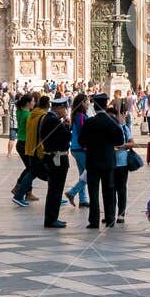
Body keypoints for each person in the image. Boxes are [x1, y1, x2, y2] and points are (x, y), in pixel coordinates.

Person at [79, 94, 124, 229]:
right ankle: (110, 218)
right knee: (109, 190)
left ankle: (94, 220)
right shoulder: (112, 122)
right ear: (106, 105)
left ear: (94, 105)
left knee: (93, 192)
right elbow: (120, 141)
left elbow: (81, 141)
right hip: (108, 161)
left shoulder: (89, 122)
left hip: (92, 160)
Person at [37, 95, 72, 228]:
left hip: (52, 158)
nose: (65, 111)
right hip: (57, 160)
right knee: (56, 190)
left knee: (54, 189)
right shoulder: (54, 121)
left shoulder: (49, 118)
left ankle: (52, 218)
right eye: (64, 108)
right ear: (58, 108)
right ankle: (51, 219)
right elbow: (67, 136)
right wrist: (67, 125)